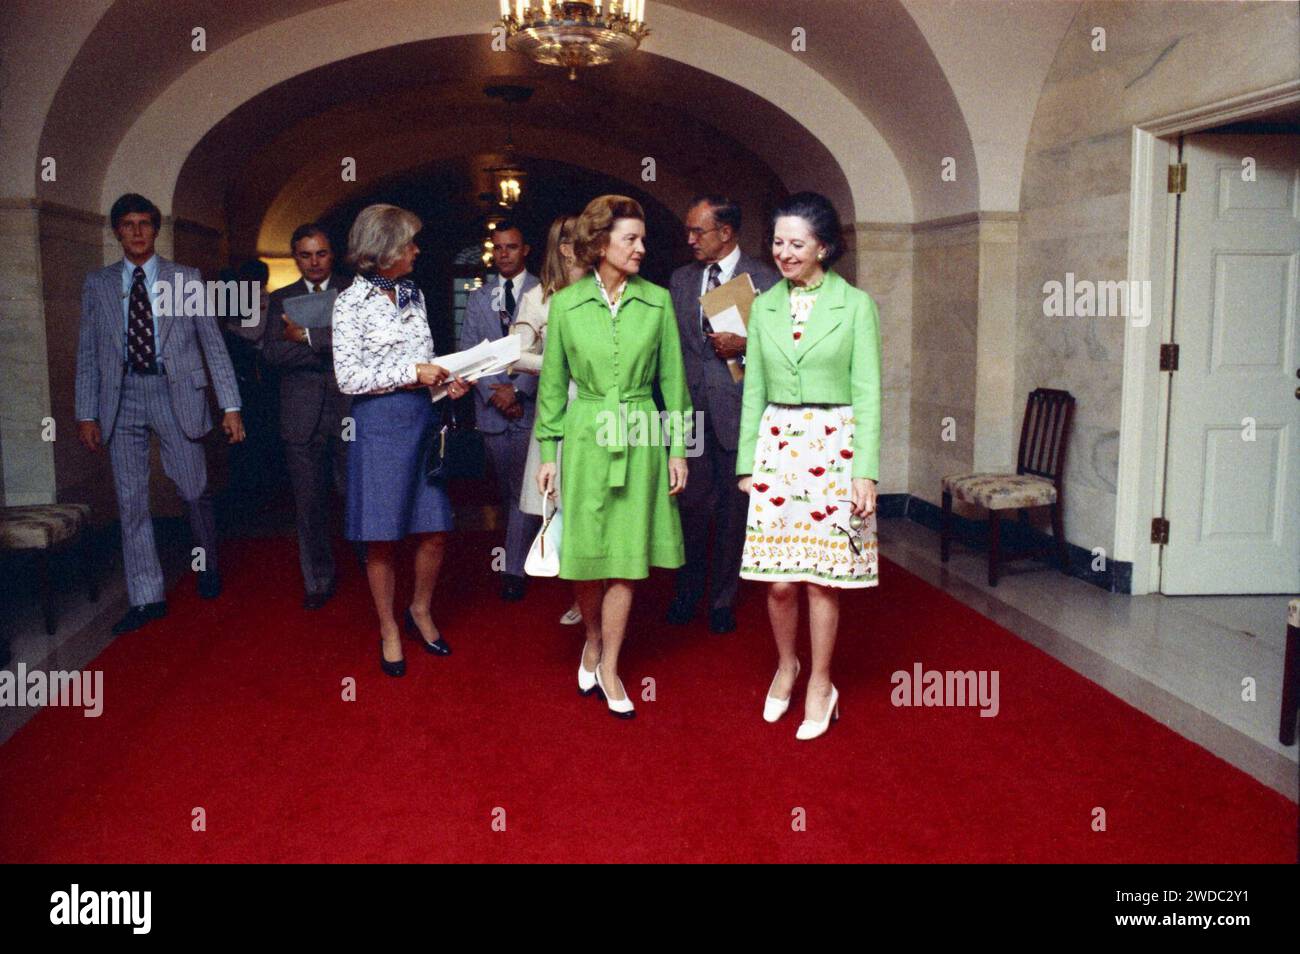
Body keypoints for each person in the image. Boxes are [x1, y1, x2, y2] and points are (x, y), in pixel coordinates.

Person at [534, 195, 692, 719]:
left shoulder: (659, 301)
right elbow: (553, 389)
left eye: (642, 239)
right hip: (584, 436)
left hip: (643, 433)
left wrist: (678, 449)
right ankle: (593, 638)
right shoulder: (566, 304)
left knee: (625, 556)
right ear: (600, 244)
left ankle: (610, 664)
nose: (641, 248)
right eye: (631, 239)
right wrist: (548, 454)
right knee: (584, 551)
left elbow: (675, 382)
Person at [735, 191, 882, 740]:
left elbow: (869, 393)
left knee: (823, 581)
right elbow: (753, 390)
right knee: (777, 582)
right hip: (777, 446)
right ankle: (786, 665)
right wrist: (748, 462)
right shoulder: (765, 304)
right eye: (778, 242)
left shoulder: (855, 305)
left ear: (823, 246)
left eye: (797, 244)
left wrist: (864, 471)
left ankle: (821, 682)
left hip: (834, 446)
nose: (785, 253)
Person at [75, 193, 245, 634]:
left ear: (155, 229)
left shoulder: (185, 279)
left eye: (145, 224)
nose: (136, 232)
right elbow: (88, 353)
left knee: (193, 490)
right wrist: (86, 413)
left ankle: (206, 563)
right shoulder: (98, 283)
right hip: (121, 395)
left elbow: (213, 344)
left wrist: (230, 406)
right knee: (131, 502)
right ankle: (146, 597)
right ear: (116, 231)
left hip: (176, 395)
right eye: (128, 224)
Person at [332, 204, 470, 677]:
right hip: (379, 428)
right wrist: (412, 372)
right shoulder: (349, 303)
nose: (416, 249)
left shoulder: (413, 292)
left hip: (422, 418)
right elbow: (349, 377)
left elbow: (425, 358)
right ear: (385, 248)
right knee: (382, 536)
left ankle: (420, 609)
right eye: (409, 242)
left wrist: (445, 382)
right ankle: (389, 628)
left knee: (433, 527)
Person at [666, 194, 779, 634]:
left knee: (734, 512)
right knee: (690, 507)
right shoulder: (680, 279)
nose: (690, 239)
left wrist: (746, 345)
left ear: (726, 233)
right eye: (689, 230)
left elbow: (789, 350)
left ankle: (722, 600)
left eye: (699, 231)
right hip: (690, 413)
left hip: (741, 414)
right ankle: (686, 591)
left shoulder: (767, 279)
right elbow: (676, 351)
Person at [260, 224, 353, 610]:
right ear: (296, 256)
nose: (314, 262)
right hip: (300, 416)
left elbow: (360, 347)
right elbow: (272, 355)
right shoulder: (281, 299)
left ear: (333, 254)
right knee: (309, 504)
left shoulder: (353, 294)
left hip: (349, 412)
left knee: (356, 496)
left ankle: (371, 565)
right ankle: (317, 580)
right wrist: (327, 344)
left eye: (321, 253)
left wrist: (307, 337)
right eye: (305, 255)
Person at [460, 221, 540, 602]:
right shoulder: (479, 297)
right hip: (492, 409)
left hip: (533, 406)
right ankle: (517, 558)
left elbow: (551, 352)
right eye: (499, 248)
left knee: (525, 490)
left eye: (512, 246)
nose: (504, 253)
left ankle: (514, 570)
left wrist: (519, 390)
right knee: (508, 488)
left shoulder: (546, 291)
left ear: (526, 249)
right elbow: (471, 351)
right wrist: (496, 393)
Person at [511, 214, 584, 626]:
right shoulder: (540, 297)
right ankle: (581, 594)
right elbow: (516, 355)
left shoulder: (605, 291)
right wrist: (561, 366)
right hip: (559, 410)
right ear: (565, 248)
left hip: (603, 412)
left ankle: (604, 587)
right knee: (563, 506)